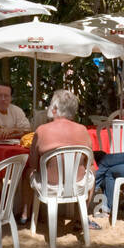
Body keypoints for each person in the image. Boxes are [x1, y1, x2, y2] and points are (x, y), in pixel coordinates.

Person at [20, 89, 94, 226]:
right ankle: (80, 217)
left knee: (27, 170)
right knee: (92, 171)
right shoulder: (83, 130)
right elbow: (90, 162)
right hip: (78, 186)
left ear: (54, 108)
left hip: (50, 187)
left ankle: (26, 213)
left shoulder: (42, 130)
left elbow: (33, 164)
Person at [0, 83, 32, 148]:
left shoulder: (17, 110)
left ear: (11, 98)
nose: (3, 99)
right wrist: (20, 132)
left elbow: (28, 131)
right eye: (0, 95)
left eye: (6, 96)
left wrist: (12, 130)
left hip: (11, 151)